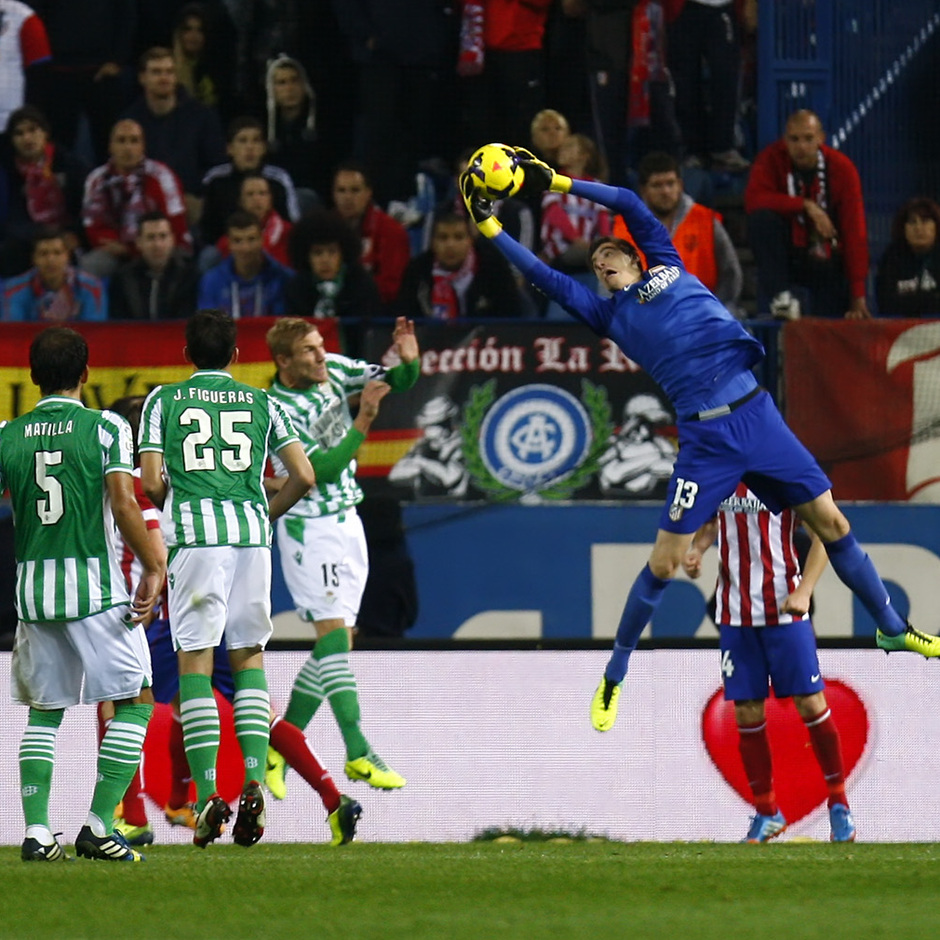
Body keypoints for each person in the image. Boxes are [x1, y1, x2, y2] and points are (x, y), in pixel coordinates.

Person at [457, 146, 940, 735]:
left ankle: (889, 624)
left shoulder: (665, 259)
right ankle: (615, 673)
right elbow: (542, 275)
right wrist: (489, 226)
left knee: (832, 523)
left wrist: (556, 181)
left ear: (633, 258)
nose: (602, 268)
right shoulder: (608, 313)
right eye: (597, 267)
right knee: (662, 564)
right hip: (706, 440)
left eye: (610, 258)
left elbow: (629, 202)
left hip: (756, 415)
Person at [107, 395, 360, 849]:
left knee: (120, 702)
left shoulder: (138, 491)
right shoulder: (242, 428)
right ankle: (331, 797)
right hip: (241, 564)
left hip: (163, 615)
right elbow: (300, 473)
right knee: (254, 703)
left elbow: (155, 548)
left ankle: (137, 816)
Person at [139, 309, 315, 849]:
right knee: (249, 659)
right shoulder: (263, 401)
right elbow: (303, 476)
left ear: (187, 354)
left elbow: (148, 479)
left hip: (197, 539)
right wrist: (265, 513)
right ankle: (257, 784)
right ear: (237, 356)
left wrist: (181, 509)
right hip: (250, 539)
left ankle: (211, 793)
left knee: (195, 660)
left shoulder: (163, 400)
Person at [1, 326, 165, 862]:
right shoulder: (105, 428)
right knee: (137, 698)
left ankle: (37, 832)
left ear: (32, 377)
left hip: (33, 593)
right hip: (93, 590)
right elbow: (123, 504)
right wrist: (153, 564)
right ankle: (97, 825)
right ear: (86, 373)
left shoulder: (6, 433)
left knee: (44, 712)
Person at [263, 315, 420, 796]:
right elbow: (321, 469)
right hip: (308, 527)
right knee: (333, 635)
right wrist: (364, 420)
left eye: (320, 346)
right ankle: (357, 750)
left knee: (340, 638)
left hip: (346, 520)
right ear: (284, 362)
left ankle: (280, 746)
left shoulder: (329, 366)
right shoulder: (276, 408)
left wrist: (409, 360)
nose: (320, 355)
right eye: (309, 351)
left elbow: (393, 381)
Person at [682, 483, 857, 844]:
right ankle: (767, 812)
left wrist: (805, 590)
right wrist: (698, 549)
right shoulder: (724, 474)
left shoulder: (785, 472)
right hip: (735, 614)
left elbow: (825, 533)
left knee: (810, 702)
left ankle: (839, 805)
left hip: (784, 612)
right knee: (746, 711)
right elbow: (713, 523)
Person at [744, 110, 871, 321]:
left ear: (822, 138)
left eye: (808, 138)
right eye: (794, 139)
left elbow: (854, 231)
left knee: (830, 315)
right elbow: (753, 200)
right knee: (761, 219)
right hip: (788, 254)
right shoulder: (770, 159)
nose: (801, 146)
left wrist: (858, 295)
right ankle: (781, 298)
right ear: (785, 140)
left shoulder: (842, 168)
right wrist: (805, 205)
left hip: (826, 256)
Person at [614, 150, 742, 314]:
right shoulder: (622, 227)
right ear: (643, 190)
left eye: (670, 183)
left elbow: (731, 273)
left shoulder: (707, 221)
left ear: (680, 185)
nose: (665, 191)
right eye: (657, 185)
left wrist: (716, 310)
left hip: (701, 317)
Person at [121, 46, 227, 225]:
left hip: (190, 203)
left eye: (169, 72)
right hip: (143, 207)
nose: (164, 78)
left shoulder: (202, 116)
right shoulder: (129, 121)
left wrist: (196, 195)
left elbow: (216, 166)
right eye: (156, 72)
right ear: (142, 78)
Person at [80, 119, 192, 280]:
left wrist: (133, 248)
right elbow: (93, 226)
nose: (128, 147)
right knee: (90, 264)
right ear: (110, 146)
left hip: (160, 245)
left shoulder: (162, 175)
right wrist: (122, 248)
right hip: (115, 250)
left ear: (143, 146)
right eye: (121, 141)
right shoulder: (96, 180)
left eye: (134, 141)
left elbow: (176, 223)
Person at [0, 104, 88, 277]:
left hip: (68, 234)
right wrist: (39, 237)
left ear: (45, 133)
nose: (27, 138)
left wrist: (72, 233)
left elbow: (88, 206)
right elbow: (12, 217)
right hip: (28, 239)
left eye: (33, 130)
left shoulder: (69, 163)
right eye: (19, 133)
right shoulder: (9, 171)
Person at [666, 0, 749, 172]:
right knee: (685, 82)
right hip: (684, 9)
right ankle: (692, 150)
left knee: (726, 77)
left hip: (723, 8)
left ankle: (723, 148)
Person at [394, 209, 520, 319]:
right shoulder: (418, 271)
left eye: (458, 237)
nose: (450, 245)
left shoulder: (494, 268)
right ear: (432, 243)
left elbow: (511, 317)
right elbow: (405, 316)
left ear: (470, 241)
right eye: (443, 238)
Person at [200, 115, 301, 249]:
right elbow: (207, 228)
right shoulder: (215, 179)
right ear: (229, 148)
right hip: (226, 247)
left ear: (264, 148)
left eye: (256, 140)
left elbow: (292, 223)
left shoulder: (279, 179)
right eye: (242, 141)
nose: (250, 147)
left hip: (274, 246)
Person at [331, 162, 411, 308]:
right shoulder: (324, 229)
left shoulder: (391, 231)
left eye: (355, 190)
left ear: (368, 193)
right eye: (341, 190)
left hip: (377, 315)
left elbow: (391, 288)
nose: (347, 197)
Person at [285, 210, 382, 320]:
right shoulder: (297, 288)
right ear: (306, 257)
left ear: (343, 254)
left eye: (332, 252)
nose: (325, 260)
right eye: (318, 253)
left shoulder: (361, 285)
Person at [198, 210, 293, 318]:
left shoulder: (283, 278)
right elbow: (207, 326)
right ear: (228, 244)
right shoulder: (212, 281)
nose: (245, 248)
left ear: (262, 239)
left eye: (251, 239)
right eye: (237, 241)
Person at [108, 211, 199, 320]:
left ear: (172, 240)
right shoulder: (123, 279)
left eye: (163, 236)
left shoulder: (189, 276)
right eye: (151, 237)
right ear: (139, 242)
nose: (157, 245)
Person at [3, 227, 106, 321]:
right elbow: (13, 332)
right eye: (43, 254)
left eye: (57, 253)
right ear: (33, 259)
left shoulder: (92, 287)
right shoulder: (14, 289)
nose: (50, 260)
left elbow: (95, 332)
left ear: (67, 256)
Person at [264, 54, 326, 206]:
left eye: (294, 80)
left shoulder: (323, 125)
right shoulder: (263, 128)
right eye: (282, 83)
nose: (289, 88)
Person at [874, 196, 940, 318]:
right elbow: (886, 303)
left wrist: (912, 299)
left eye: (925, 221)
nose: (918, 228)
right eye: (912, 222)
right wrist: (929, 298)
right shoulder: (892, 258)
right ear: (903, 228)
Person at [216, 172, 293, 269]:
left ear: (270, 200)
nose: (257, 199)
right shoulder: (227, 242)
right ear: (241, 201)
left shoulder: (289, 233)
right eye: (250, 194)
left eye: (262, 193)